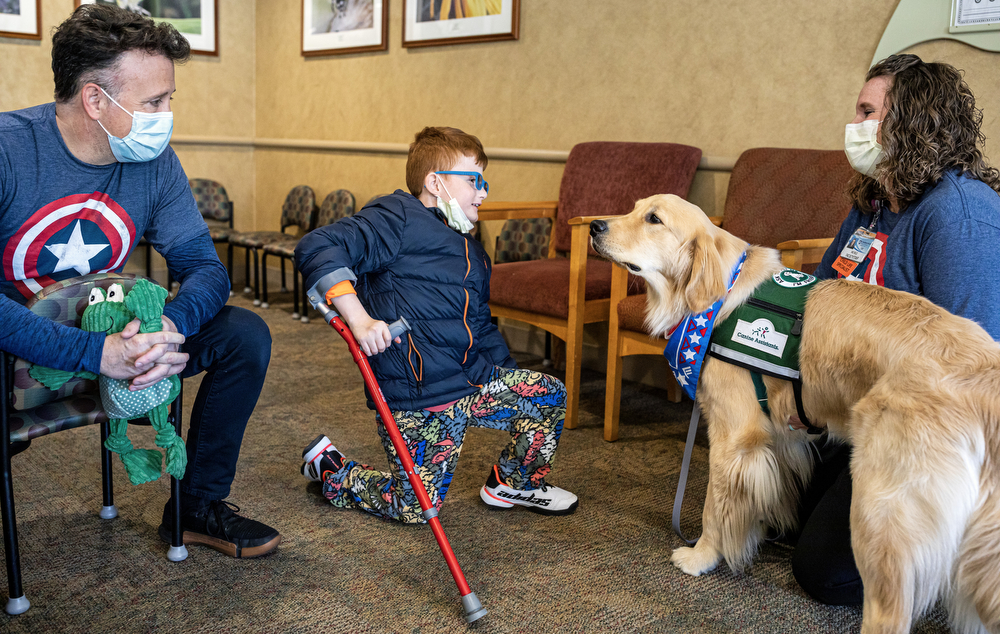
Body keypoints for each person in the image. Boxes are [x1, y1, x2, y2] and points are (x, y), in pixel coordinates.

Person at [0, 5, 279, 558]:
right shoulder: (8, 149)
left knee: (243, 335)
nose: (167, 115)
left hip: (126, 338)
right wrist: (97, 351)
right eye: (154, 102)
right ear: (95, 100)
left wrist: (168, 328)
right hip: (19, 352)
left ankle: (196, 506)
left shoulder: (154, 162)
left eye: (168, 99)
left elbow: (203, 266)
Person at [792, 53, 1000, 604]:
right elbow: (823, 298)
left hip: (927, 430)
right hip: (861, 408)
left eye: (867, 111)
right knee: (783, 514)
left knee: (825, 571)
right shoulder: (872, 204)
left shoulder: (958, 214)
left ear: (911, 121)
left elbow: (971, 370)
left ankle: (954, 550)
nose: (854, 124)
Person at [294, 126, 578, 524]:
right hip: (423, 395)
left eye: (484, 182)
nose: (483, 193)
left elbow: (480, 326)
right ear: (435, 182)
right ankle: (332, 469)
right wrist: (359, 319)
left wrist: (509, 381)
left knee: (546, 395)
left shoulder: (472, 251)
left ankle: (513, 483)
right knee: (413, 508)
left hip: (473, 379)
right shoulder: (397, 217)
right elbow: (317, 245)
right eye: (473, 180)